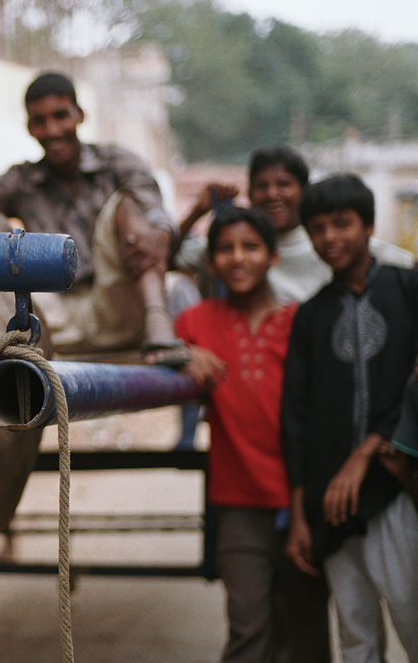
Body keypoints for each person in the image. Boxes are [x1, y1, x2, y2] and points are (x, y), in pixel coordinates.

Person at [0, 71, 191, 366]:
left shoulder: (117, 162)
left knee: (126, 205)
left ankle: (158, 320)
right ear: (30, 128)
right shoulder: (21, 180)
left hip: (121, 301)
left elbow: (156, 215)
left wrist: (160, 232)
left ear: (80, 115)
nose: (53, 130)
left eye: (61, 116)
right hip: (58, 318)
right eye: (40, 121)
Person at [282, 174, 418, 663]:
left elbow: (414, 386)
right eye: (317, 228)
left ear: (370, 226)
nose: (330, 239)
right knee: (356, 635)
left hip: (394, 490)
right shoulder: (311, 315)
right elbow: (294, 419)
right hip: (331, 505)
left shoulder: (408, 289)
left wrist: (369, 450)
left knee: (413, 616)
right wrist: (300, 516)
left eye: (342, 224)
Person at [174, 206, 299, 663]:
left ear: (273, 257)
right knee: (249, 630)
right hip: (238, 503)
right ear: (210, 262)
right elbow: (150, 352)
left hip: (303, 498)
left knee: (302, 631)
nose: (238, 258)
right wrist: (181, 353)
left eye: (251, 247)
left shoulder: (298, 323)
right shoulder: (198, 322)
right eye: (225, 249)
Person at [178, 146, 415, 302]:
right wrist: (197, 212)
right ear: (249, 193)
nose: (272, 194)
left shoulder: (329, 242)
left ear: (303, 191)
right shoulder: (234, 246)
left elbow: (406, 264)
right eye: (262, 186)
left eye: (284, 184)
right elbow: (166, 257)